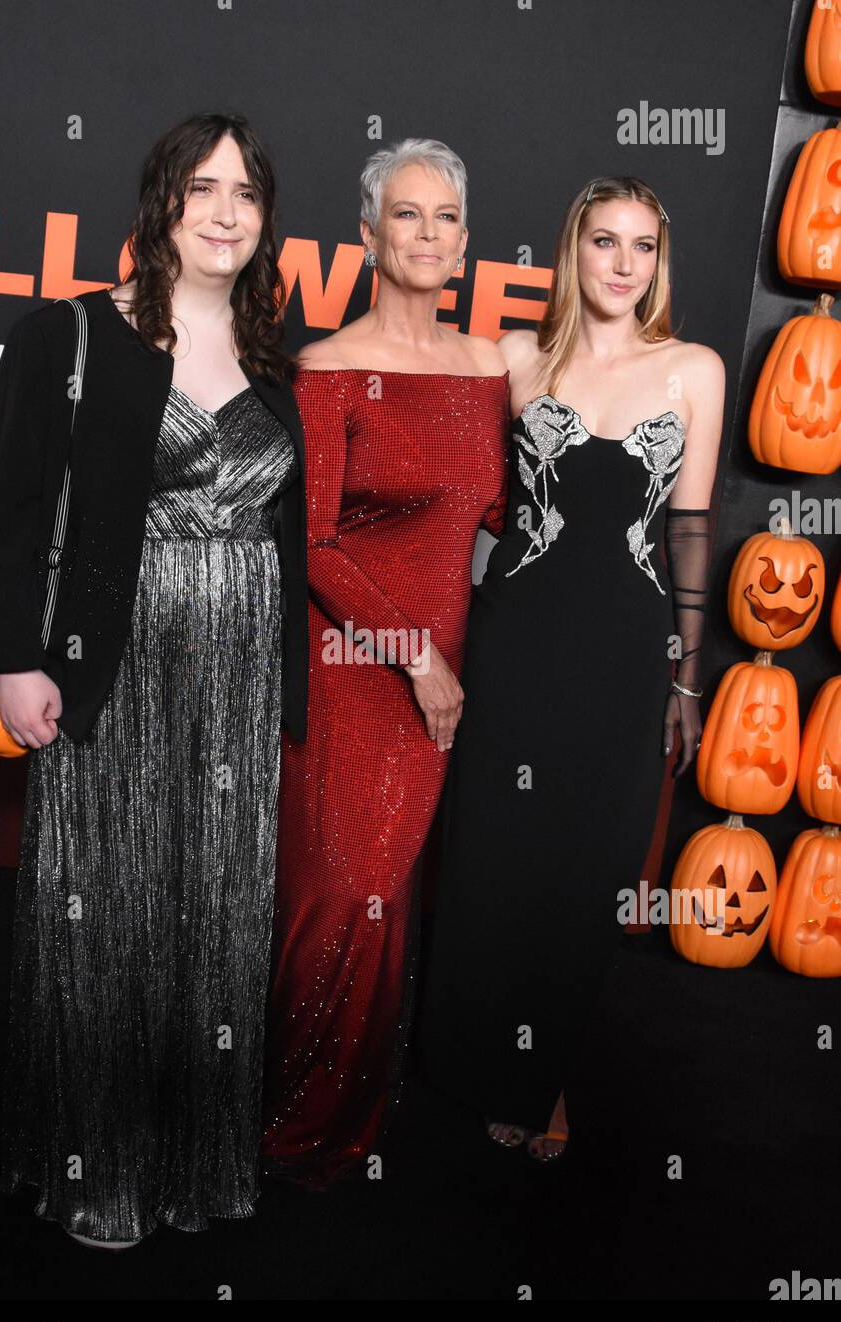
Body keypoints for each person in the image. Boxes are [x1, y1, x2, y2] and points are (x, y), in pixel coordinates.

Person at [0, 112, 308, 1247]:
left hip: (241, 677)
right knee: (103, 911)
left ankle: (193, 1166)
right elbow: (13, 518)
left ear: (267, 218)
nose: (224, 211)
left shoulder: (277, 353)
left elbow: (297, 532)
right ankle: (95, 1167)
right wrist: (14, 659)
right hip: (109, 668)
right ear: (161, 201)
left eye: (246, 193)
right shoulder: (65, 335)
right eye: (202, 187)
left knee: (215, 913)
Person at [417, 175, 722, 1162]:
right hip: (515, 641)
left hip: (625, 655)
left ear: (656, 263)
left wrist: (685, 675)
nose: (623, 265)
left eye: (642, 247)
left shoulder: (694, 370)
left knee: (583, 872)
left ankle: (538, 1074)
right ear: (573, 250)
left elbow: (691, 528)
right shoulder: (512, 358)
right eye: (605, 242)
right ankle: (465, 1065)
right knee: (493, 859)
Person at [261, 138, 509, 1188]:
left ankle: (355, 1118)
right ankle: (285, 1123)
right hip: (352, 669)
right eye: (405, 215)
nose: (427, 235)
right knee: (337, 892)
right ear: (367, 234)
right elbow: (311, 544)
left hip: (442, 674)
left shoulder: (491, 366)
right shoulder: (324, 366)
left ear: (465, 240)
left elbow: (497, 517)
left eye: (445, 217)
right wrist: (414, 656)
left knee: (391, 898)